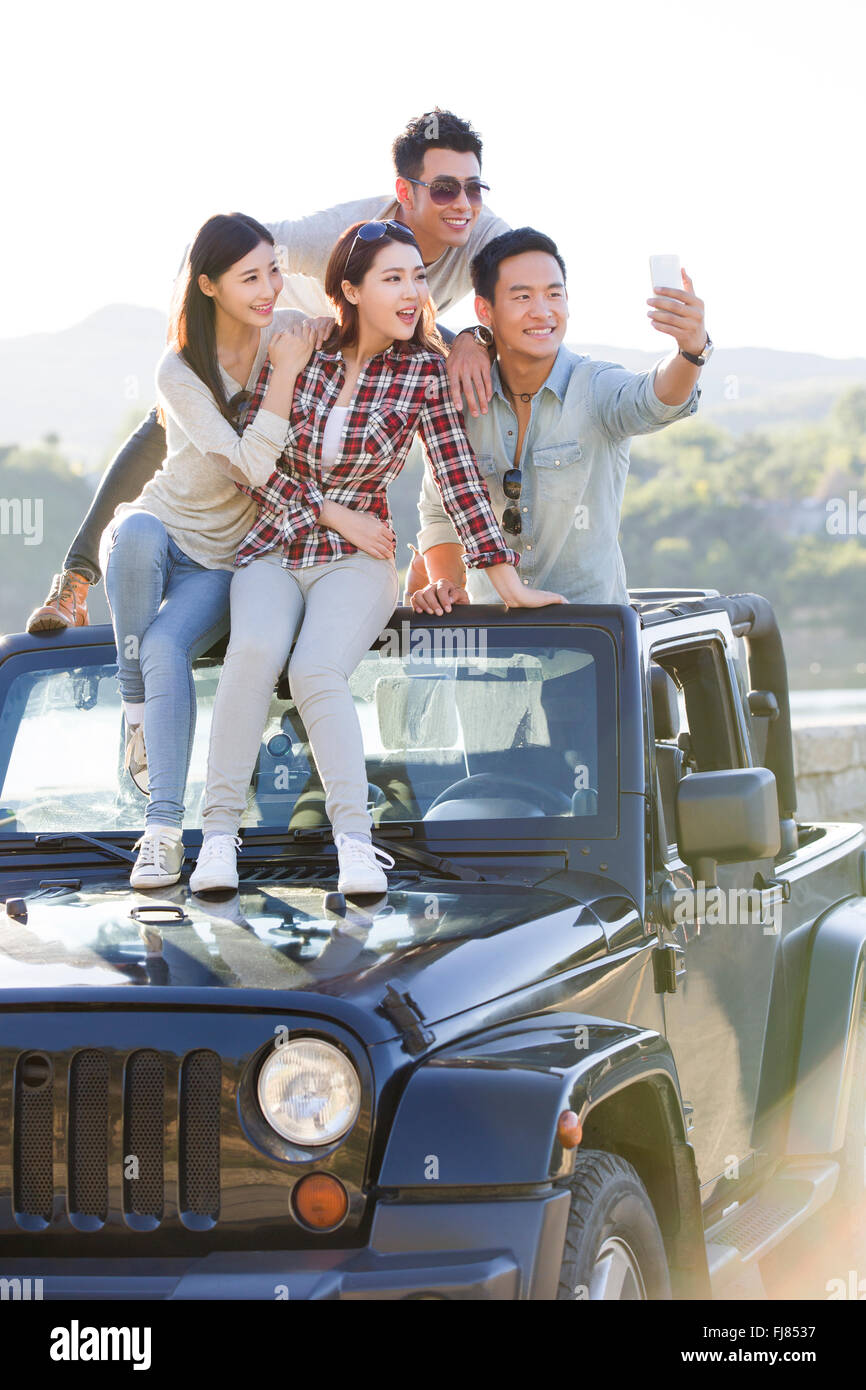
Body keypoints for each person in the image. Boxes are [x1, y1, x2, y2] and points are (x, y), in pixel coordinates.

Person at [188, 219, 564, 899]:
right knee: (251, 656)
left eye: (419, 276)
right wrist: (332, 512)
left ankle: (355, 845)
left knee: (316, 670)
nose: (414, 291)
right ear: (351, 288)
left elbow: (456, 477)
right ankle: (217, 839)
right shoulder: (297, 346)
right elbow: (252, 465)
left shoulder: (424, 370)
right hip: (274, 546)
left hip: (356, 564)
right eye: (394, 277)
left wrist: (506, 579)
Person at [26, 108, 506, 634]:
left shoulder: (481, 233)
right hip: (287, 347)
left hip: (345, 379)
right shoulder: (345, 232)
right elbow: (221, 245)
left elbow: (526, 285)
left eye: (474, 189)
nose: (462, 204)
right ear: (405, 190)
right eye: (443, 189)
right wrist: (195, 351)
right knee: (165, 425)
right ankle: (76, 579)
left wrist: (472, 338)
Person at [102, 212, 332, 890]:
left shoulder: (288, 339)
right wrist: (283, 379)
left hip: (224, 556)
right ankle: (134, 709)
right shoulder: (178, 368)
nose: (269, 289)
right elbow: (245, 465)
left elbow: (367, 321)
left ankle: (163, 831)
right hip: (164, 525)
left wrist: (290, 365)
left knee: (170, 644)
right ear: (208, 285)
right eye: (249, 277)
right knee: (137, 531)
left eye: (273, 271)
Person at [407, 227, 709, 612]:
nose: (542, 311)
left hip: (591, 645)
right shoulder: (463, 396)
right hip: (487, 644)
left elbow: (656, 397)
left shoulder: (595, 387)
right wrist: (447, 584)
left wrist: (691, 350)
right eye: (522, 297)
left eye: (554, 294)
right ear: (485, 311)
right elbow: (439, 508)